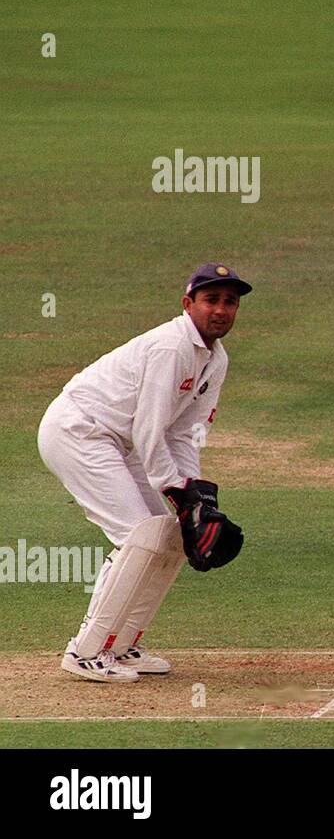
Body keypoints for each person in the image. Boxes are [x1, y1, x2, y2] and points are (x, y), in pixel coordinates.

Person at [38, 263, 249, 682]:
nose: (221, 310)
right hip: (80, 431)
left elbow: (186, 434)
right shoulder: (172, 348)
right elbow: (150, 429)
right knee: (138, 536)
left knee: (172, 534)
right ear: (188, 304)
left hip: (120, 440)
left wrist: (193, 495)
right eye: (211, 300)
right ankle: (86, 651)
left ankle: (123, 643)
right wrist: (177, 490)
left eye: (230, 302)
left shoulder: (216, 359)